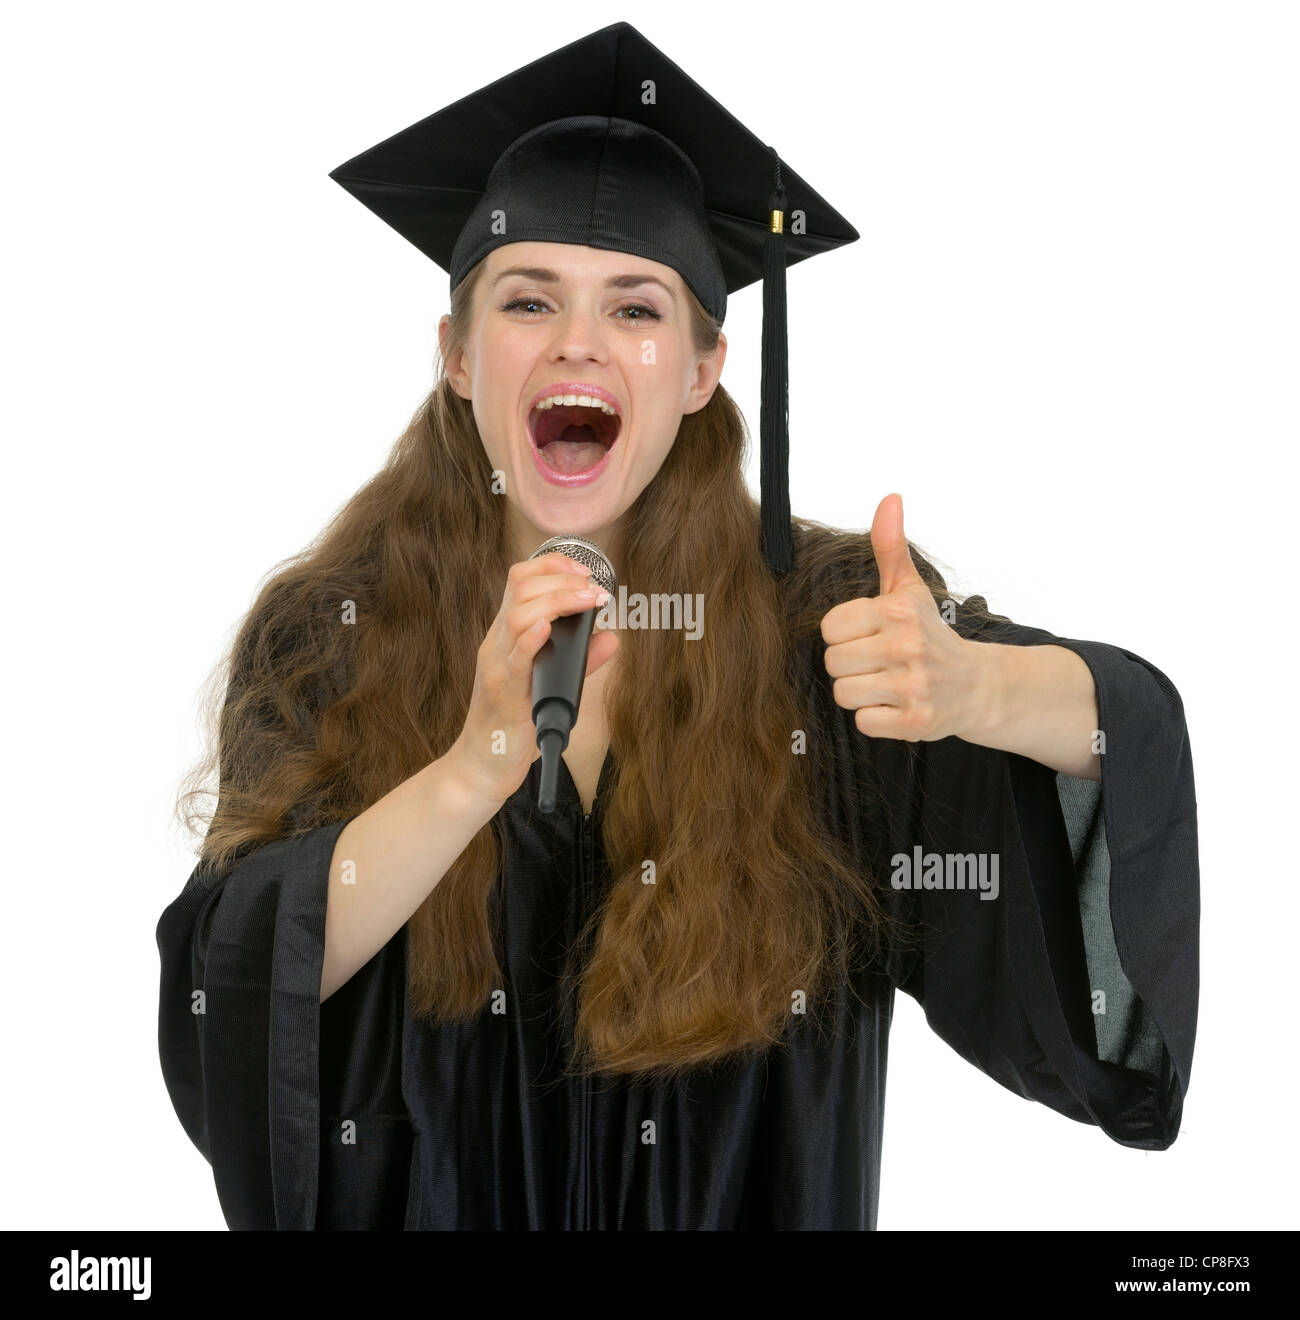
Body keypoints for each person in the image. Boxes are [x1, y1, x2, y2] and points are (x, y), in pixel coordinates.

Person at [156, 21, 1199, 1231]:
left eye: (637, 309)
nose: (578, 343)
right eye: (528, 298)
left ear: (703, 369)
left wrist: (978, 693)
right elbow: (241, 986)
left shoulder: (822, 623)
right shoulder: (332, 629)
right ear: (454, 355)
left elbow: (1129, 729)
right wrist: (472, 769)